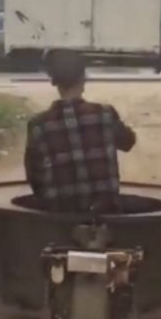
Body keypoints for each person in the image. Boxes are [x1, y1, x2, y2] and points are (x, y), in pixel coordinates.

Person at [23, 50, 136, 214]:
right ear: (83, 78)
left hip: (61, 218)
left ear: (54, 82)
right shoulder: (105, 114)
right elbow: (129, 142)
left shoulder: (38, 125)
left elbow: (35, 179)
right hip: (106, 216)